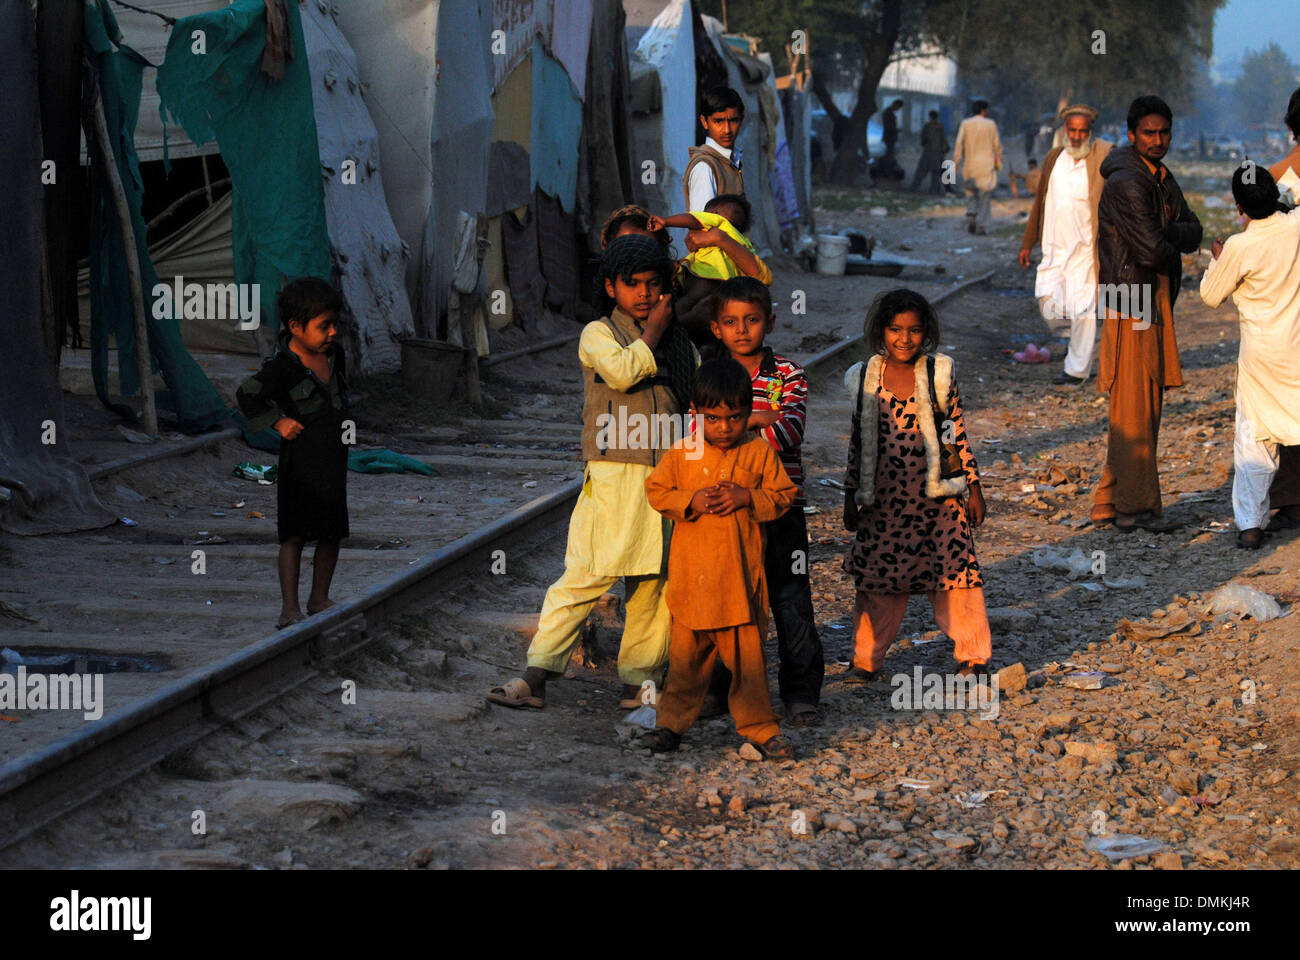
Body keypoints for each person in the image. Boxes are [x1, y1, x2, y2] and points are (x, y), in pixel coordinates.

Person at [487, 235, 698, 710]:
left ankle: (637, 684)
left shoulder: (679, 344)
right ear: (610, 288)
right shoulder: (598, 334)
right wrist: (653, 334)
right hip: (613, 476)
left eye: (653, 285)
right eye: (632, 285)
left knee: (653, 584)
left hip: (665, 476)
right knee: (584, 576)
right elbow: (623, 373)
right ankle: (536, 674)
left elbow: (694, 400)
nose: (643, 294)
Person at [641, 358, 798, 759]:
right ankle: (669, 727)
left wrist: (748, 498)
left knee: (748, 667)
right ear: (696, 412)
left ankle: (760, 728)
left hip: (740, 587)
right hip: (692, 584)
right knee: (683, 667)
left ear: (749, 414)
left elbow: (783, 495)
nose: (724, 428)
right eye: (714, 418)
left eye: (734, 418)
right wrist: (689, 500)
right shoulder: (683, 453)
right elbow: (656, 490)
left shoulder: (759, 453)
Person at [842, 289, 991, 680]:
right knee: (878, 581)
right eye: (895, 330)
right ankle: (865, 660)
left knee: (955, 575)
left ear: (925, 333)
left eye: (913, 330)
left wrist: (973, 487)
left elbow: (954, 432)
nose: (904, 339)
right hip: (884, 502)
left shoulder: (937, 374)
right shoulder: (865, 379)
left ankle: (973, 654)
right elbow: (858, 442)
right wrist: (850, 494)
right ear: (881, 332)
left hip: (939, 500)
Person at [709, 277, 825, 726]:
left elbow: (788, 433)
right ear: (717, 328)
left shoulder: (788, 375)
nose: (742, 330)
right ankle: (722, 688)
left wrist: (732, 427)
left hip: (781, 507)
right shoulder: (708, 374)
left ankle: (800, 691)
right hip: (725, 507)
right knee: (729, 599)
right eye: (731, 322)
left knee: (790, 596)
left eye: (752, 320)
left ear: (770, 322)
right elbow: (699, 433)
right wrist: (759, 419)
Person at [1090, 95, 1202, 532]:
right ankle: (1135, 508)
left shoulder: (1159, 175)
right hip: (1133, 297)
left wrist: (1169, 231)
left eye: (1164, 133)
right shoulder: (1127, 181)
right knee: (1135, 405)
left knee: (1142, 403)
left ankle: (1108, 500)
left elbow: (1193, 229)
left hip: (1150, 296)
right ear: (1131, 134)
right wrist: (1171, 233)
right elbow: (1154, 250)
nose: (1158, 140)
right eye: (1149, 133)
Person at [236, 278, 349, 630]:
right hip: (298, 463)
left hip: (332, 459)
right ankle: (289, 608)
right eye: (323, 326)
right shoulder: (282, 368)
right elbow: (247, 396)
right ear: (296, 328)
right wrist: (279, 421)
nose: (331, 332)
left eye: (334, 324)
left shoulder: (334, 355)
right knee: (294, 535)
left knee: (332, 531)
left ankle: (319, 598)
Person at [1198, 163, 1300, 548]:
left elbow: (1210, 295)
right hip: (1297, 345)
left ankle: (1251, 526)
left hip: (1261, 357)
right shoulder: (1296, 225)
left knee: (1254, 439)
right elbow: (1293, 194)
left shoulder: (1239, 248)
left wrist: (1218, 258)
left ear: (1239, 208)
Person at [1019, 104, 1114, 385]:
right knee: (1047, 300)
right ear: (1064, 131)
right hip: (1054, 248)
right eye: (1072, 130)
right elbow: (1040, 203)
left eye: (1082, 131)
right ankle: (1067, 338)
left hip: (1086, 249)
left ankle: (1076, 370)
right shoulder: (1053, 159)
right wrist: (1028, 242)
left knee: (1084, 310)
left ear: (1089, 133)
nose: (1076, 136)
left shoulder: (1099, 163)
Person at [647, 195, 772, 349]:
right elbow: (761, 275)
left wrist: (666, 221)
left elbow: (692, 218)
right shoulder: (742, 243)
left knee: (685, 302)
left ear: (713, 213)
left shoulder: (718, 222)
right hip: (724, 287)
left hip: (706, 276)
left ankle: (668, 326)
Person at [684, 86, 745, 211]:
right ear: (704, 122)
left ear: (741, 120)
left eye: (733, 120)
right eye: (718, 121)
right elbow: (704, 224)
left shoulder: (730, 161)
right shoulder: (705, 167)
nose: (727, 130)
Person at [953, 100, 1002, 235]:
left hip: (970, 166)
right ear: (984, 111)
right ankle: (982, 226)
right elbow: (997, 146)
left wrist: (956, 163)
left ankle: (972, 216)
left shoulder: (965, 123)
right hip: (986, 165)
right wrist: (998, 163)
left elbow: (958, 144)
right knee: (984, 197)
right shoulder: (991, 124)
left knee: (970, 193)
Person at [910, 109, 949, 194]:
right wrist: (944, 149)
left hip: (929, 153)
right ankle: (934, 190)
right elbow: (944, 140)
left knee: (921, 172)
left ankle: (914, 188)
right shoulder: (939, 127)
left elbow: (923, 140)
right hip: (936, 153)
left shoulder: (927, 127)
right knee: (935, 173)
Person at [877, 98, 905, 179]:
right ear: (895, 105)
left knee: (889, 155)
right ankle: (887, 172)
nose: (898, 109)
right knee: (889, 156)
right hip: (889, 137)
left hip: (890, 137)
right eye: (898, 107)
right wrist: (897, 130)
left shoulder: (889, 112)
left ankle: (887, 172)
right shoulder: (888, 113)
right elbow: (889, 127)